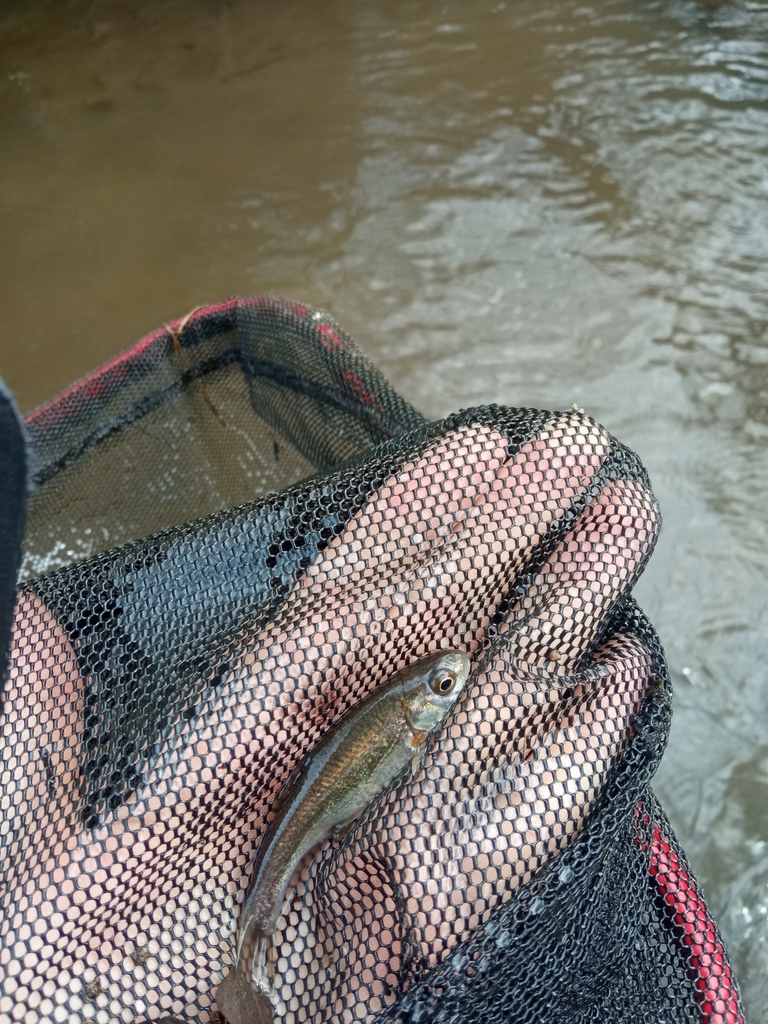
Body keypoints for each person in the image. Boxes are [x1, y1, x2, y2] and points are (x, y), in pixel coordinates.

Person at [0, 299, 742, 1023]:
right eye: (445, 686)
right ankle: (249, 950)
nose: (455, 687)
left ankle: (251, 944)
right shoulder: (410, 729)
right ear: (421, 709)